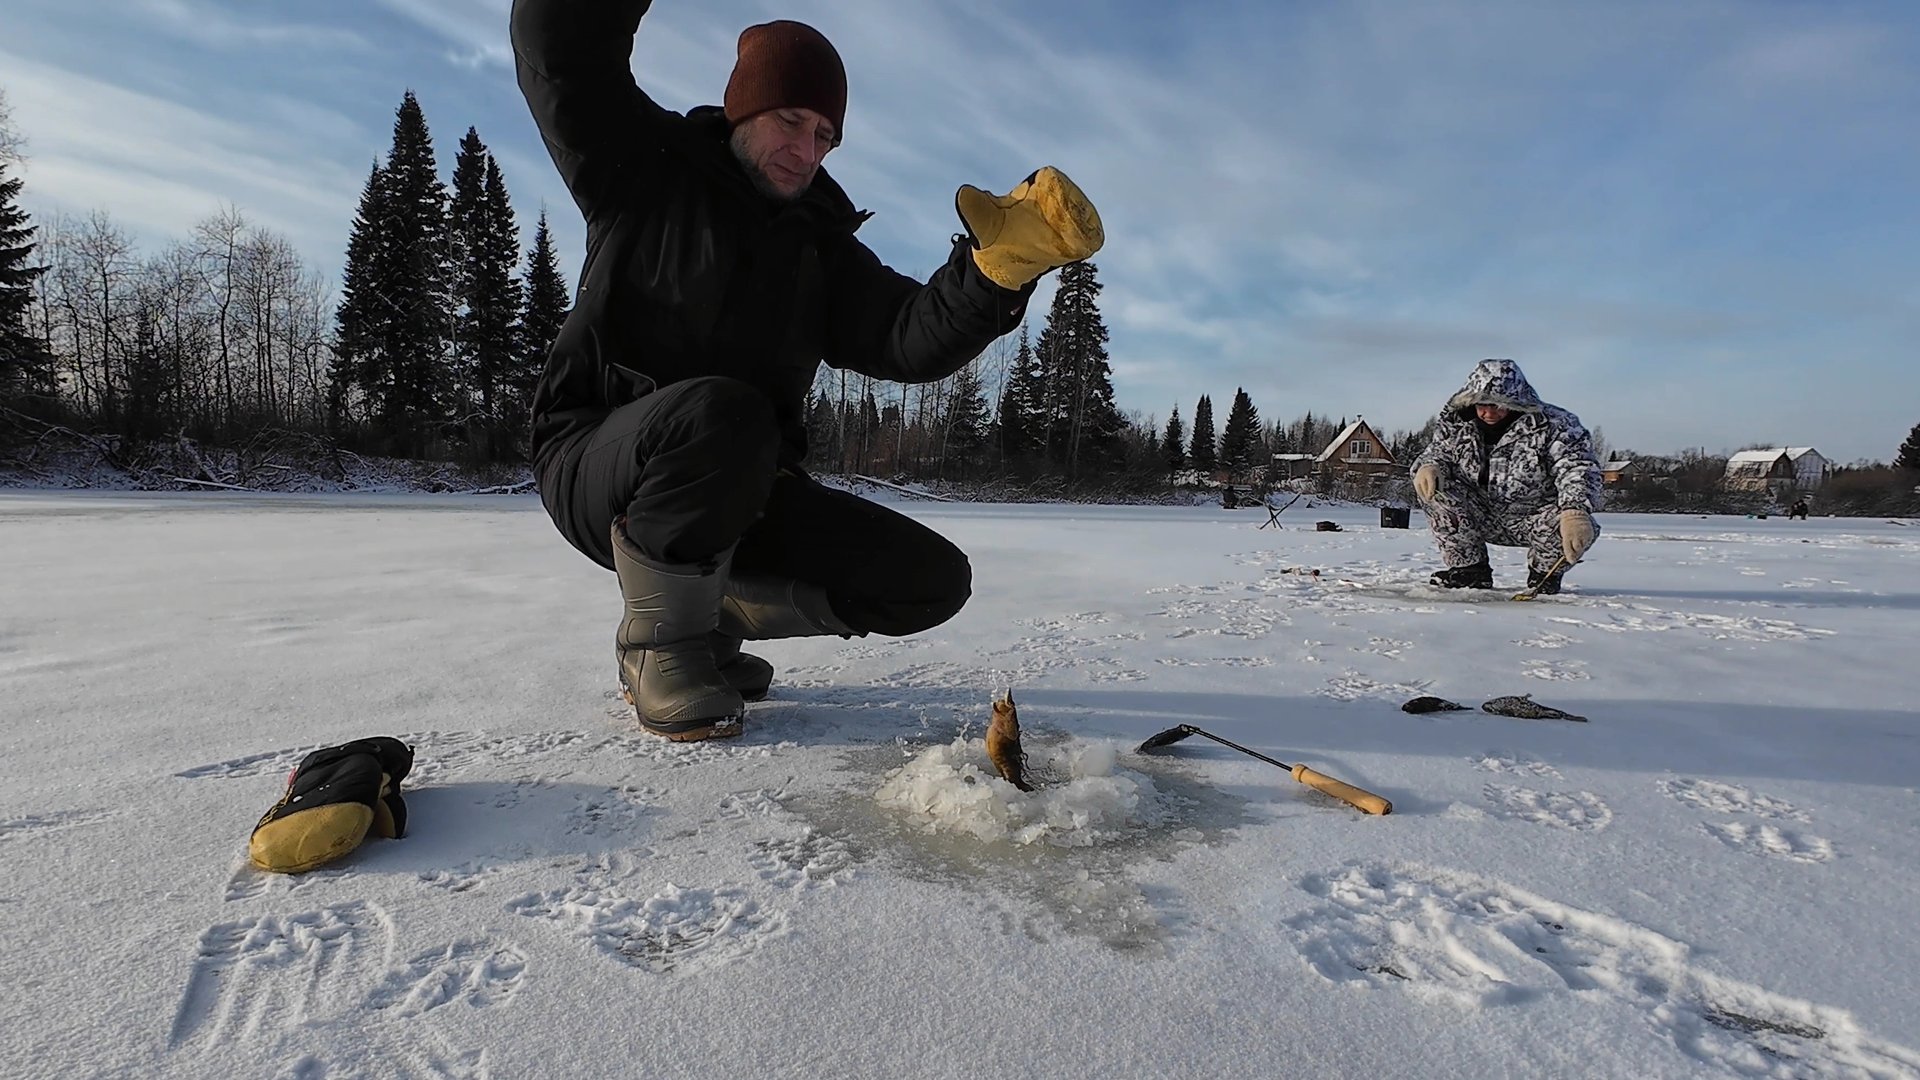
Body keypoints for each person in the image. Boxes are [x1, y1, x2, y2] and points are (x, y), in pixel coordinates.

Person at [511, 1, 1103, 742]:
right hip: (596, 461)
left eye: (825, 135)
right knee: (724, 413)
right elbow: (559, 53)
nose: (809, 148)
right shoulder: (644, 167)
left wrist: (992, 277)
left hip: (741, 484)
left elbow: (905, 336)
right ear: (742, 111)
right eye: (791, 120)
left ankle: (708, 614)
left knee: (927, 581)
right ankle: (659, 646)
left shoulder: (818, 247)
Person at [1409, 359, 1601, 594]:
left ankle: (1543, 577)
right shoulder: (1457, 424)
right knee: (1436, 490)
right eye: (1483, 405)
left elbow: (1576, 467)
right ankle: (1469, 572)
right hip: (1477, 515)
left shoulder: (1557, 425)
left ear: (1516, 402)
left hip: (1534, 518)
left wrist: (1576, 509)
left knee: (1578, 522)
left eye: (1499, 405)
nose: (1489, 413)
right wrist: (1429, 466)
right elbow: (1438, 452)